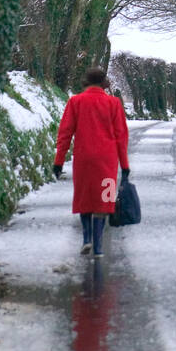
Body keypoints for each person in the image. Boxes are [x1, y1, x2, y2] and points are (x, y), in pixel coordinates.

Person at [53, 68, 130, 258]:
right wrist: (125, 165)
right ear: (104, 82)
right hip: (108, 161)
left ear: (86, 81)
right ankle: (98, 248)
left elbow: (65, 134)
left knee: (84, 199)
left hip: (83, 159)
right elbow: (121, 136)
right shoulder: (113, 103)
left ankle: (86, 238)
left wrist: (59, 161)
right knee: (104, 201)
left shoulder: (75, 102)